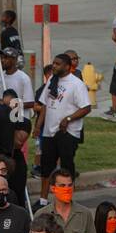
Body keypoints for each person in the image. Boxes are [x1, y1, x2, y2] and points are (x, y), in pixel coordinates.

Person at [34, 53, 92, 205]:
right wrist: (38, 126)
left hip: (67, 133)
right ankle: (43, 200)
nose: (54, 66)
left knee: (66, 168)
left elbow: (86, 107)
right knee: (46, 168)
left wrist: (68, 119)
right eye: (54, 63)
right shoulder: (51, 80)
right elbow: (45, 105)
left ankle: (67, 199)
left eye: (57, 64)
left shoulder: (76, 84)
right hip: (49, 131)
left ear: (67, 67)